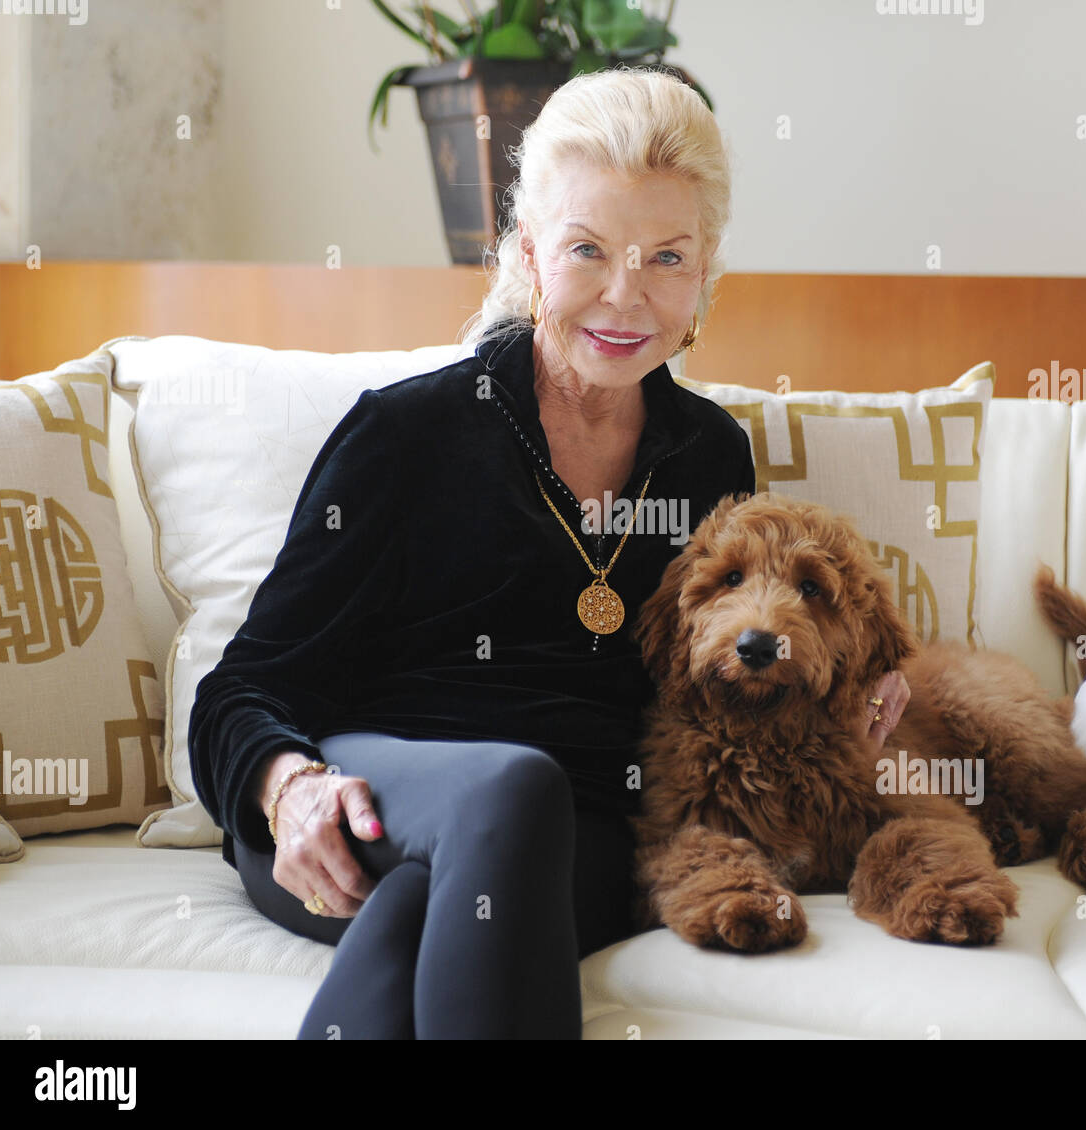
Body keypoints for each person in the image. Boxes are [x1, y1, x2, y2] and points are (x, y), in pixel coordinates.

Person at [188, 66, 910, 1040]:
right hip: (375, 800)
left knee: (433, 900)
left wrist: (839, 700)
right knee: (509, 782)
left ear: (704, 276)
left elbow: (724, 675)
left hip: (583, 830)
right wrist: (290, 786)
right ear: (529, 252)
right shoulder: (406, 436)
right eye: (588, 249)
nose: (626, 294)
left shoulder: (711, 455)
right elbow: (242, 689)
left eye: (666, 257)